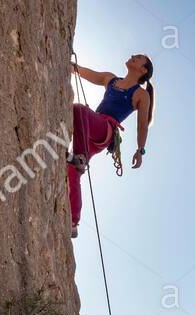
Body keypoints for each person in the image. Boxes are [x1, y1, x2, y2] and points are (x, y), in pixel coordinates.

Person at [68, 54, 155, 237]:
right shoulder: (111, 78)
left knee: (79, 110)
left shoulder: (141, 94)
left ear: (143, 70)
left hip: (105, 129)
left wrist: (140, 150)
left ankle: (81, 157)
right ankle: (73, 222)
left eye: (138, 58)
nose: (133, 56)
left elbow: (142, 125)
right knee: (72, 169)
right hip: (90, 127)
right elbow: (88, 73)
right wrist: (73, 67)